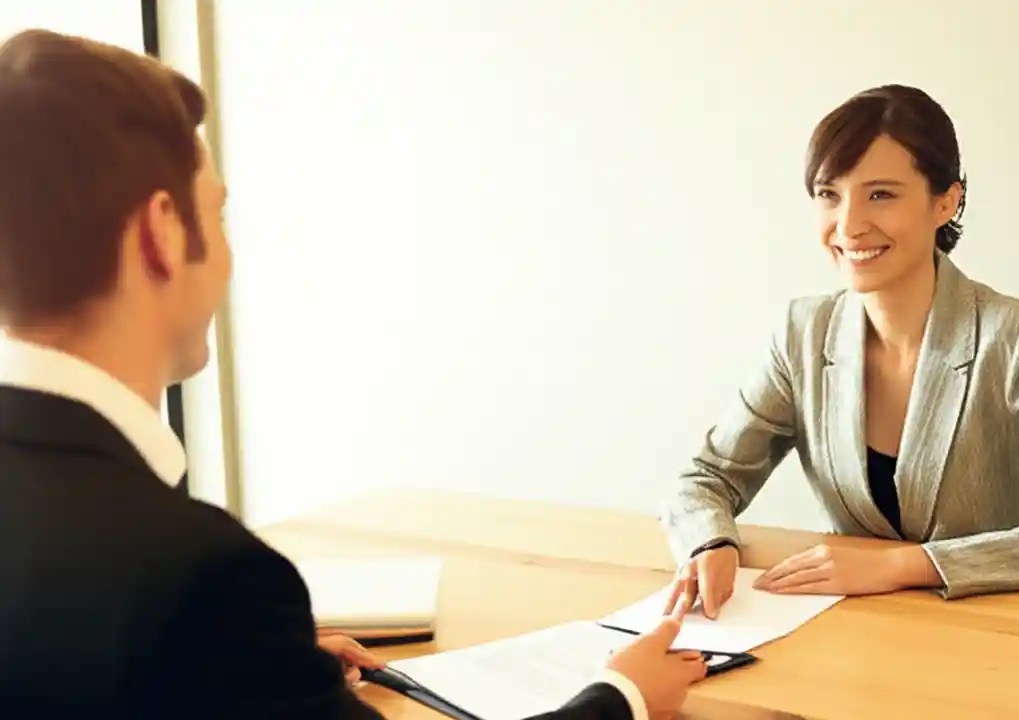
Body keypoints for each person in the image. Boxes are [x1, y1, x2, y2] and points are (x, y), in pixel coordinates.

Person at [0, 29, 704, 719]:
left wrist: (270, 669)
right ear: (162, 232)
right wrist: (624, 697)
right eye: (216, 212)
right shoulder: (205, 579)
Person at [662, 84, 1019, 615]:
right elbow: (707, 479)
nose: (849, 225)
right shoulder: (803, 334)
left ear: (946, 201)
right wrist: (710, 543)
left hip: (1003, 628)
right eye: (829, 195)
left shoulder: (1018, 337)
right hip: (860, 628)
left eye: (881, 195)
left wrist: (903, 566)